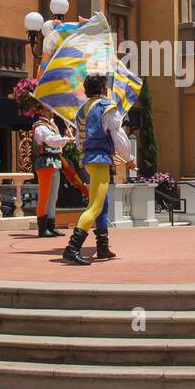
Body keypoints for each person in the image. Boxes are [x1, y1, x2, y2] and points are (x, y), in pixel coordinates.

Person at [63, 74, 134, 266]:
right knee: (95, 205)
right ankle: (72, 248)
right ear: (103, 88)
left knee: (103, 203)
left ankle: (102, 247)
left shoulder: (82, 111)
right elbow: (119, 137)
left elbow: (79, 141)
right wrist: (129, 159)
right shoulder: (106, 108)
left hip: (89, 159)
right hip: (101, 160)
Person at [31, 105, 70, 238]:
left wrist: (65, 138)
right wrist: (65, 139)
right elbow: (52, 141)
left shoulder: (52, 125)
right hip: (45, 162)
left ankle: (51, 226)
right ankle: (42, 228)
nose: (51, 112)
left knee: (53, 196)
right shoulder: (40, 126)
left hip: (55, 162)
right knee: (45, 196)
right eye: (48, 109)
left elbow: (57, 143)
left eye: (51, 109)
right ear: (40, 111)